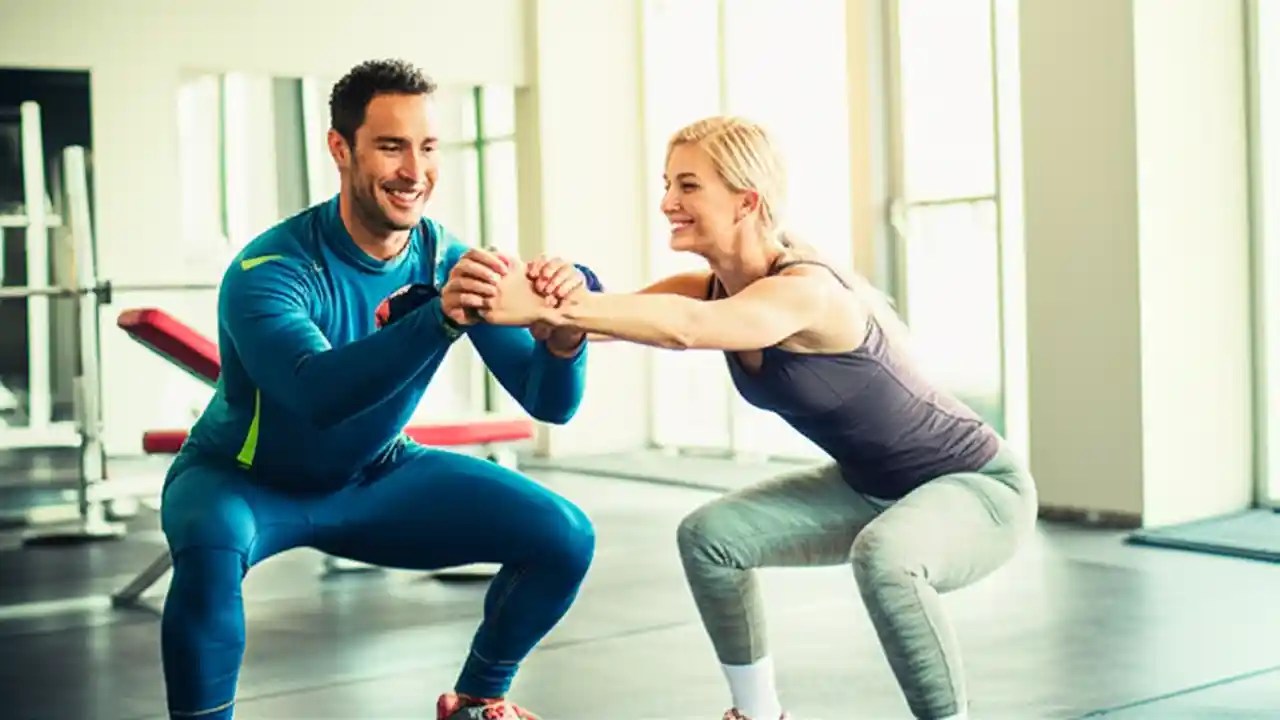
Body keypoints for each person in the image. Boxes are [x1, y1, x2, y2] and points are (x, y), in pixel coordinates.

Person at [477, 116, 1039, 720]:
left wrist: (562, 306)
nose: (667, 202)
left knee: (886, 558)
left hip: (978, 488)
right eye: (667, 185)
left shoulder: (806, 292)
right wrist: (548, 290)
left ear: (746, 201)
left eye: (688, 186)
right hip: (870, 488)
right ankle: (757, 714)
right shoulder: (707, 287)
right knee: (711, 538)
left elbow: (683, 330)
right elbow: (605, 318)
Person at [158, 59, 597, 720]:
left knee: (564, 536)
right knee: (210, 544)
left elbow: (550, 403)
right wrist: (440, 318)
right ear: (341, 149)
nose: (414, 172)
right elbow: (317, 396)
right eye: (392, 147)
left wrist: (563, 339)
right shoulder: (268, 270)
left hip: (376, 475)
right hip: (242, 482)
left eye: (428, 147)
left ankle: (476, 701)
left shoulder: (447, 260)